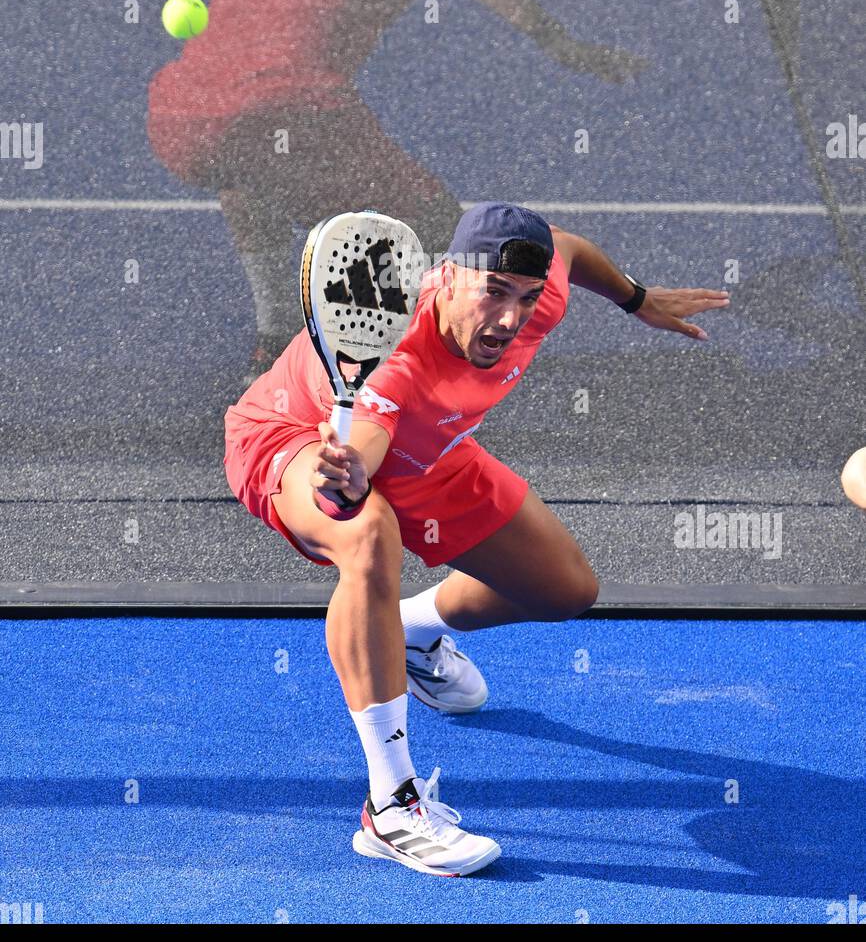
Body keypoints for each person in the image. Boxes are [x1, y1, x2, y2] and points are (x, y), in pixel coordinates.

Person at [224, 201, 730, 875]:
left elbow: (568, 250)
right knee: (367, 532)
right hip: (296, 445)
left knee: (564, 589)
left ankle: (406, 630)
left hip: (428, 455)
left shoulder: (537, 298)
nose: (509, 318)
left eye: (523, 297)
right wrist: (346, 477)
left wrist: (634, 299)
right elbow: (365, 446)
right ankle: (391, 806)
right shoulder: (397, 358)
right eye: (493, 293)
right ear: (448, 276)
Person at [150, 0, 647, 382]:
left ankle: (271, 330)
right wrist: (558, 40)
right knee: (439, 229)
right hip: (295, 107)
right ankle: (423, 375)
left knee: (249, 161)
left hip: (183, 113)